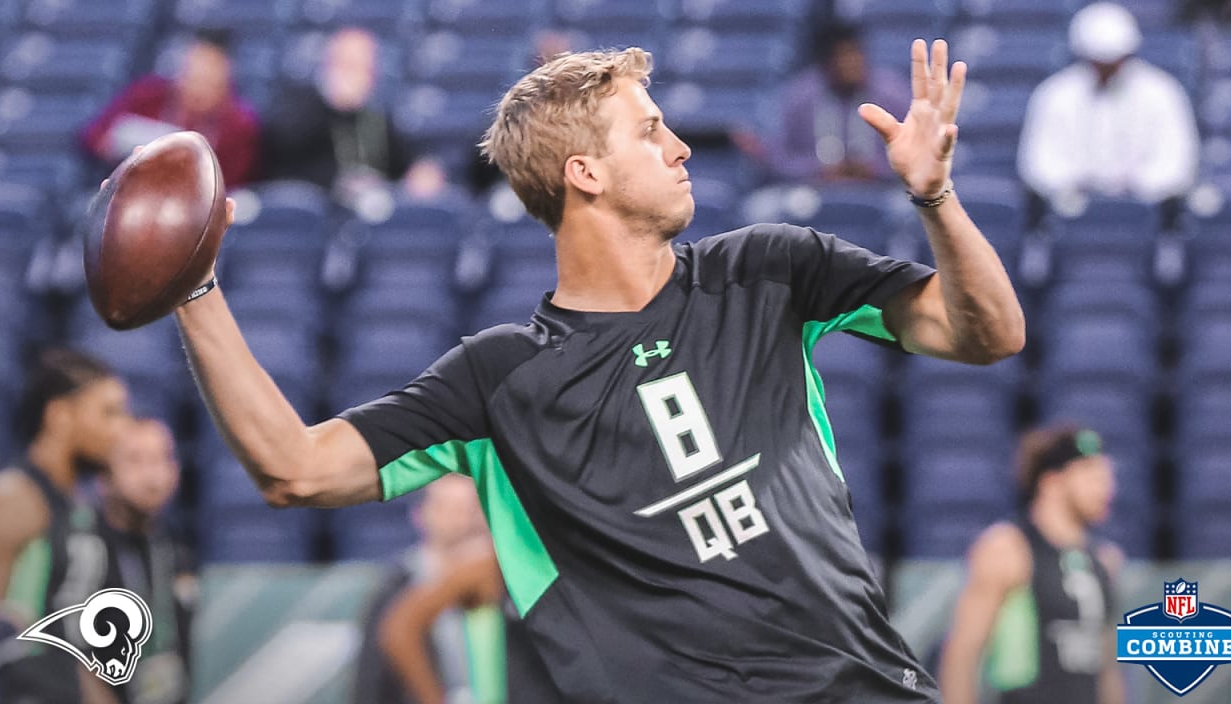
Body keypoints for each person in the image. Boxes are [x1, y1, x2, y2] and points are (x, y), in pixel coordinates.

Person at [165, 39, 1024, 701]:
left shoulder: (769, 268)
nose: (681, 147)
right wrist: (194, 289)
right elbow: (294, 468)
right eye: (650, 131)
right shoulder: (499, 381)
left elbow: (988, 333)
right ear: (585, 174)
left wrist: (935, 197)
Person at [939, 426, 1124, 704]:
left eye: (1106, 475)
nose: (1106, 486)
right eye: (1091, 473)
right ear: (1051, 482)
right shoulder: (1007, 547)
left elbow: (1106, 668)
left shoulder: (1104, 559)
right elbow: (961, 655)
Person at [0, 349, 130, 704]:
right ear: (59, 415)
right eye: (109, 413)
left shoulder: (78, 508)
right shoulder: (12, 500)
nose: (122, 429)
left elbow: (64, 643)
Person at [1017, 2, 1199, 209]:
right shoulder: (1054, 93)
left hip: (1146, 210)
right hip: (1071, 210)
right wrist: (1079, 182)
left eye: (1114, 61)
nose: (1107, 69)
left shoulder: (1162, 91)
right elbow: (1038, 163)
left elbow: (1177, 162)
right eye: (1098, 62)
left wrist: (1134, 185)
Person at [359, 475, 509, 704]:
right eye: (449, 509)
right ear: (421, 514)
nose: (463, 522)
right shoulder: (396, 586)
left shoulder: (508, 578)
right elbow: (375, 673)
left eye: (474, 509)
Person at [261, 27, 447, 207]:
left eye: (367, 68)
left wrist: (420, 170)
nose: (359, 75)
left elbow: (403, 160)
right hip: (313, 212)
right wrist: (336, 103)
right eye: (349, 65)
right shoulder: (299, 103)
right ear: (329, 64)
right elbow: (284, 146)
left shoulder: (374, 116)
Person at [80, 29, 259, 189]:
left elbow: (230, 186)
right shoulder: (146, 95)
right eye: (193, 78)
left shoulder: (239, 125)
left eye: (209, 82)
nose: (198, 91)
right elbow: (93, 137)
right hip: (128, 190)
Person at [738, 23, 909, 184]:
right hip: (812, 189)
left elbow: (914, 154)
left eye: (854, 54)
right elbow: (778, 159)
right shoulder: (799, 97)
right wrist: (818, 168)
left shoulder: (893, 93)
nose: (850, 63)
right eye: (842, 56)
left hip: (884, 189)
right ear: (826, 63)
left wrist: (876, 169)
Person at [96, 418, 192, 704]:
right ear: (104, 474)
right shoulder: (85, 549)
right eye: (135, 460)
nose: (153, 476)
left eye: (163, 458)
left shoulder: (178, 546)